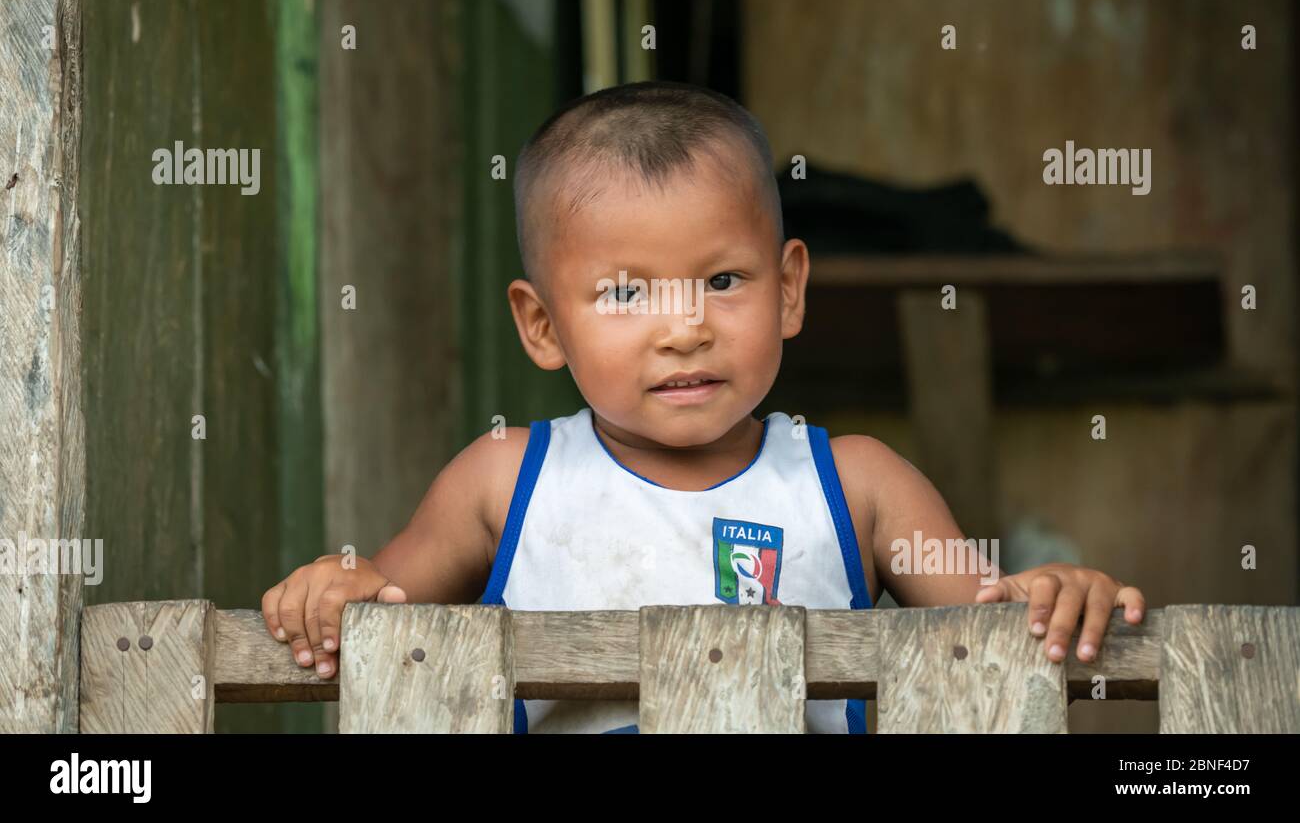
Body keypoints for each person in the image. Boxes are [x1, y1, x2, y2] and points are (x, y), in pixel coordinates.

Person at [262, 80, 1146, 733]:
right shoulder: (505, 481)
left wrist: (1053, 596)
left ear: (790, 290)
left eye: (723, 280)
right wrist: (335, 589)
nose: (684, 328)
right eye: (623, 293)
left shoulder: (858, 486)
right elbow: (377, 615)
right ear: (542, 324)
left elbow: (990, 632)